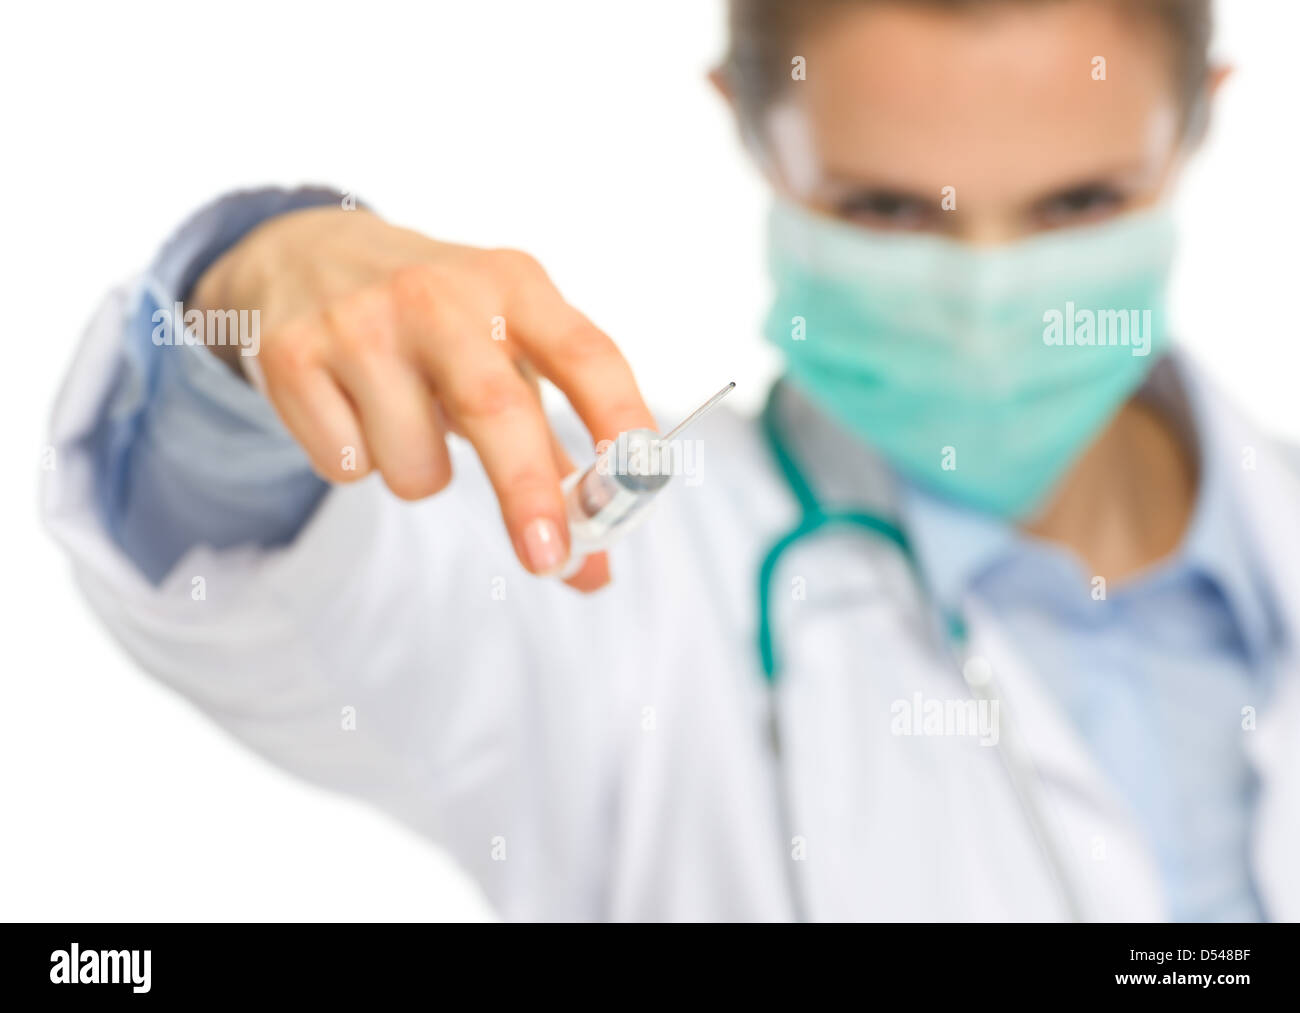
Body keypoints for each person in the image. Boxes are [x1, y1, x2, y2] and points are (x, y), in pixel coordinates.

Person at [42, 0, 1300, 921]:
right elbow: (247, 572)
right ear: (755, 135)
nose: (980, 294)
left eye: (1077, 205)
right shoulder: (629, 592)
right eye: (885, 209)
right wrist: (250, 288)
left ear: (1196, 127)